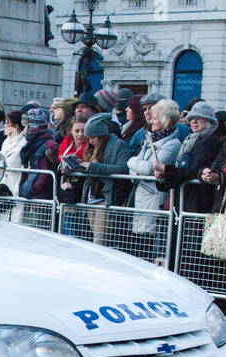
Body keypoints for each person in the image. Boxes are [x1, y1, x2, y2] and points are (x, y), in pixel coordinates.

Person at [126, 98, 180, 254]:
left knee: (148, 243)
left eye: (156, 118)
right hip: (140, 195)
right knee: (136, 241)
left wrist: (132, 162)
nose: (152, 121)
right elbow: (136, 170)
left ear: (167, 120)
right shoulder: (149, 139)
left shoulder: (172, 144)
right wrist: (137, 165)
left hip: (154, 196)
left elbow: (150, 168)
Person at [74, 112, 130, 244]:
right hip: (91, 197)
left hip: (105, 200)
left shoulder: (119, 145)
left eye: (93, 137)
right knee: (96, 240)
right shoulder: (94, 148)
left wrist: (94, 167)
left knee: (99, 242)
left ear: (101, 136)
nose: (91, 141)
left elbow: (122, 169)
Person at [18, 106, 58, 200]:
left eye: (28, 126)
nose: (25, 130)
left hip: (41, 198)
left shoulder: (49, 145)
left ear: (35, 126)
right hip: (31, 195)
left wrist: (33, 190)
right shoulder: (32, 144)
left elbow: (45, 173)